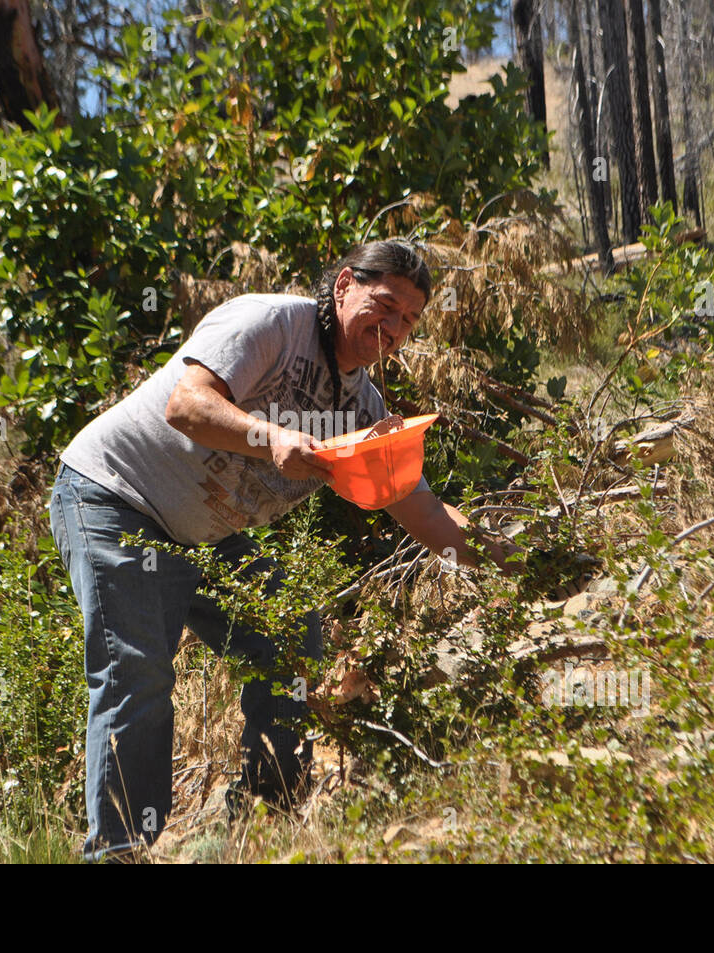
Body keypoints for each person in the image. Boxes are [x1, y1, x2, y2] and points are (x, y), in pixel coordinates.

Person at [49, 240, 513, 861]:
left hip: (201, 535)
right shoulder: (271, 322)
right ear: (344, 284)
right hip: (113, 496)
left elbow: (420, 508)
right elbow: (185, 405)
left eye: (410, 320)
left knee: (291, 637)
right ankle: (117, 853)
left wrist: (513, 563)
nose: (394, 328)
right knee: (137, 670)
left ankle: (264, 818)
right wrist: (270, 438)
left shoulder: (360, 409)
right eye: (385, 305)